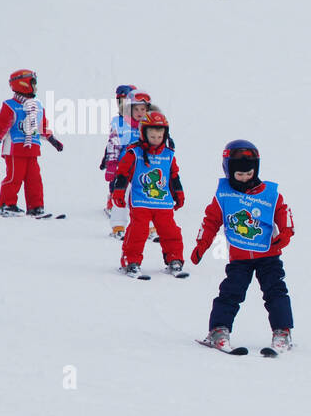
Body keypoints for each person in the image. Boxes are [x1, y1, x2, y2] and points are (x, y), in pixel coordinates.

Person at [190, 141, 296, 352]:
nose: (245, 178)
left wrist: (285, 233)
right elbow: (210, 220)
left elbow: (283, 213)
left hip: (269, 255)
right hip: (240, 258)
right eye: (239, 175)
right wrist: (202, 244)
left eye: (249, 173)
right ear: (228, 171)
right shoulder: (224, 195)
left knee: (276, 292)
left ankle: (282, 332)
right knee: (230, 292)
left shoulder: (270, 193)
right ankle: (218, 330)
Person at [111, 111, 184, 276]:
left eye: (160, 136)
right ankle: (131, 261)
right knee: (138, 232)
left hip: (163, 202)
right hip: (141, 201)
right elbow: (123, 174)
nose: (156, 140)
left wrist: (178, 194)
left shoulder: (168, 154)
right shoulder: (134, 153)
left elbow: (173, 176)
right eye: (152, 136)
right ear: (144, 134)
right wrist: (119, 193)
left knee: (170, 231)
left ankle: (174, 258)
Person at [0, 69, 63, 216]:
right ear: (22, 84)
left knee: (34, 179)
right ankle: (6, 204)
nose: (35, 87)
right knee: (14, 177)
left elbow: (42, 127)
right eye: (33, 83)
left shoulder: (38, 107)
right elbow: (3, 126)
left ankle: (35, 206)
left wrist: (53, 140)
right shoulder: (10, 105)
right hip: (15, 148)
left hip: (32, 149)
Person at [101, 85, 139, 237]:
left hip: (140, 163)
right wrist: (109, 160)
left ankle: (145, 218)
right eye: (120, 101)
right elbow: (113, 142)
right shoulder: (118, 121)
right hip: (123, 163)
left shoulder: (143, 121)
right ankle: (114, 204)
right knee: (119, 185)